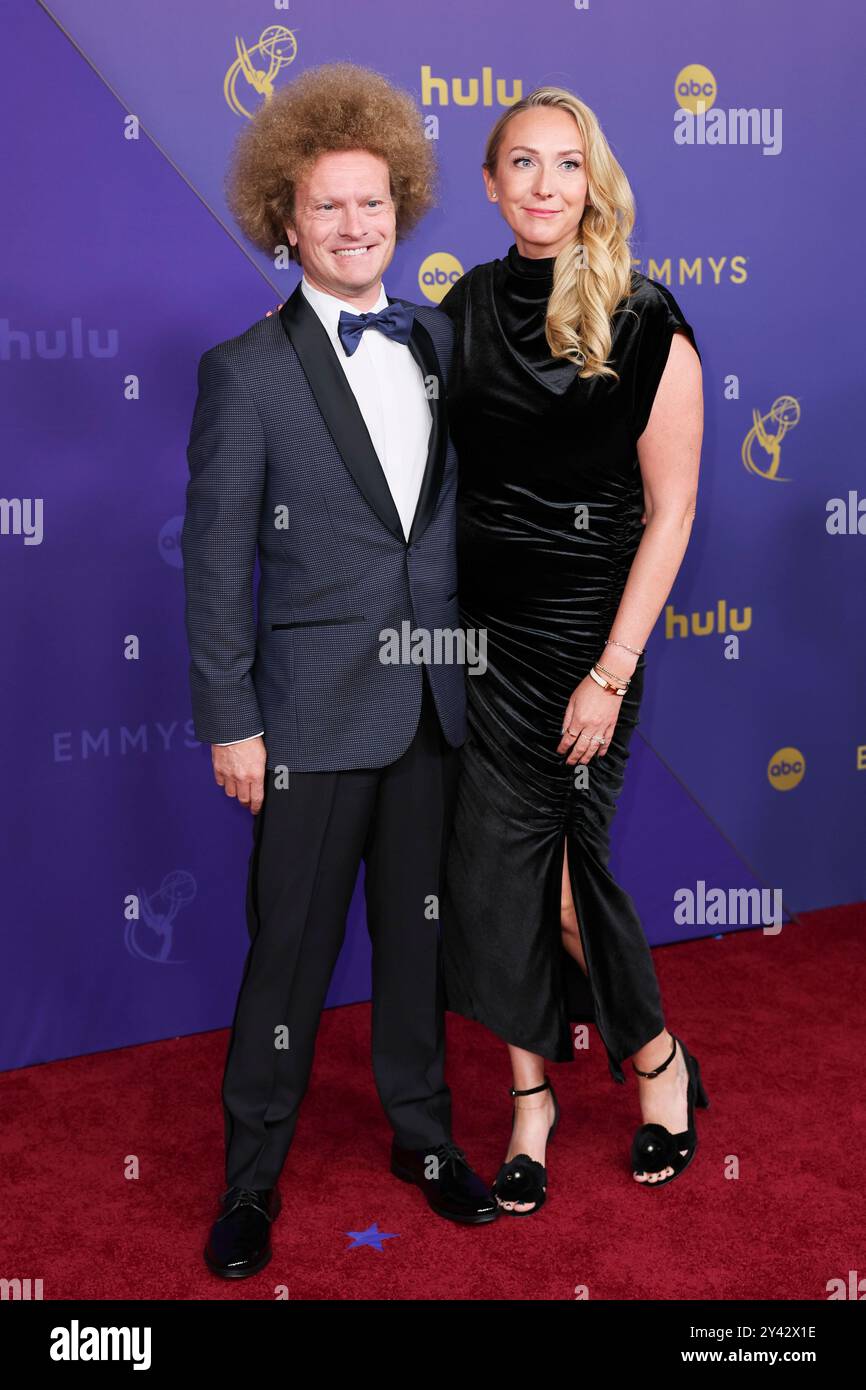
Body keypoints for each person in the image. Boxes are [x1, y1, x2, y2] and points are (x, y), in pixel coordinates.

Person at [181, 62, 496, 1281]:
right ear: (285, 218)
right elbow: (214, 568)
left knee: (417, 942)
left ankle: (424, 1142)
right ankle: (250, 1180)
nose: (355, 225)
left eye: (373, 203)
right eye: (328, 207)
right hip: (306, 719)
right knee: (290, 952)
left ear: (400, 207)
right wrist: (231, 722)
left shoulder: (433, 338)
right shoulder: (243, 372)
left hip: (431, 699)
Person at [437, 86, 707, 1215]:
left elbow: (672, 510)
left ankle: (655, 1067)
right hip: (487, 642)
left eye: (565, 164)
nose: (544, 184)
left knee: (563, 885)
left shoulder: (644, 317)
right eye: (521, 163)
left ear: (591, 182)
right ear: (491, 182)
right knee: (500, 885)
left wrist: (609, 672)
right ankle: (530, 1104)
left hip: (591, 642)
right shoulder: (455, 309)